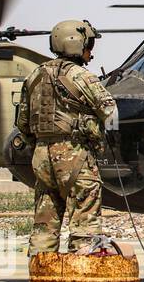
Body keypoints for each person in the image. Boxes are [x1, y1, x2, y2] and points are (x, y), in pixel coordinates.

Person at [15, 19, 117, 256]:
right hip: (75, 155)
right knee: (84, 225)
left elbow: (23, 123)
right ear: (76, 44)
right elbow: (111, 114)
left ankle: (42, 280)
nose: (90, 53)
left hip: (41, 157)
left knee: (44, 224)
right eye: (88, 45)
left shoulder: (34, 77)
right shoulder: (83, 77)